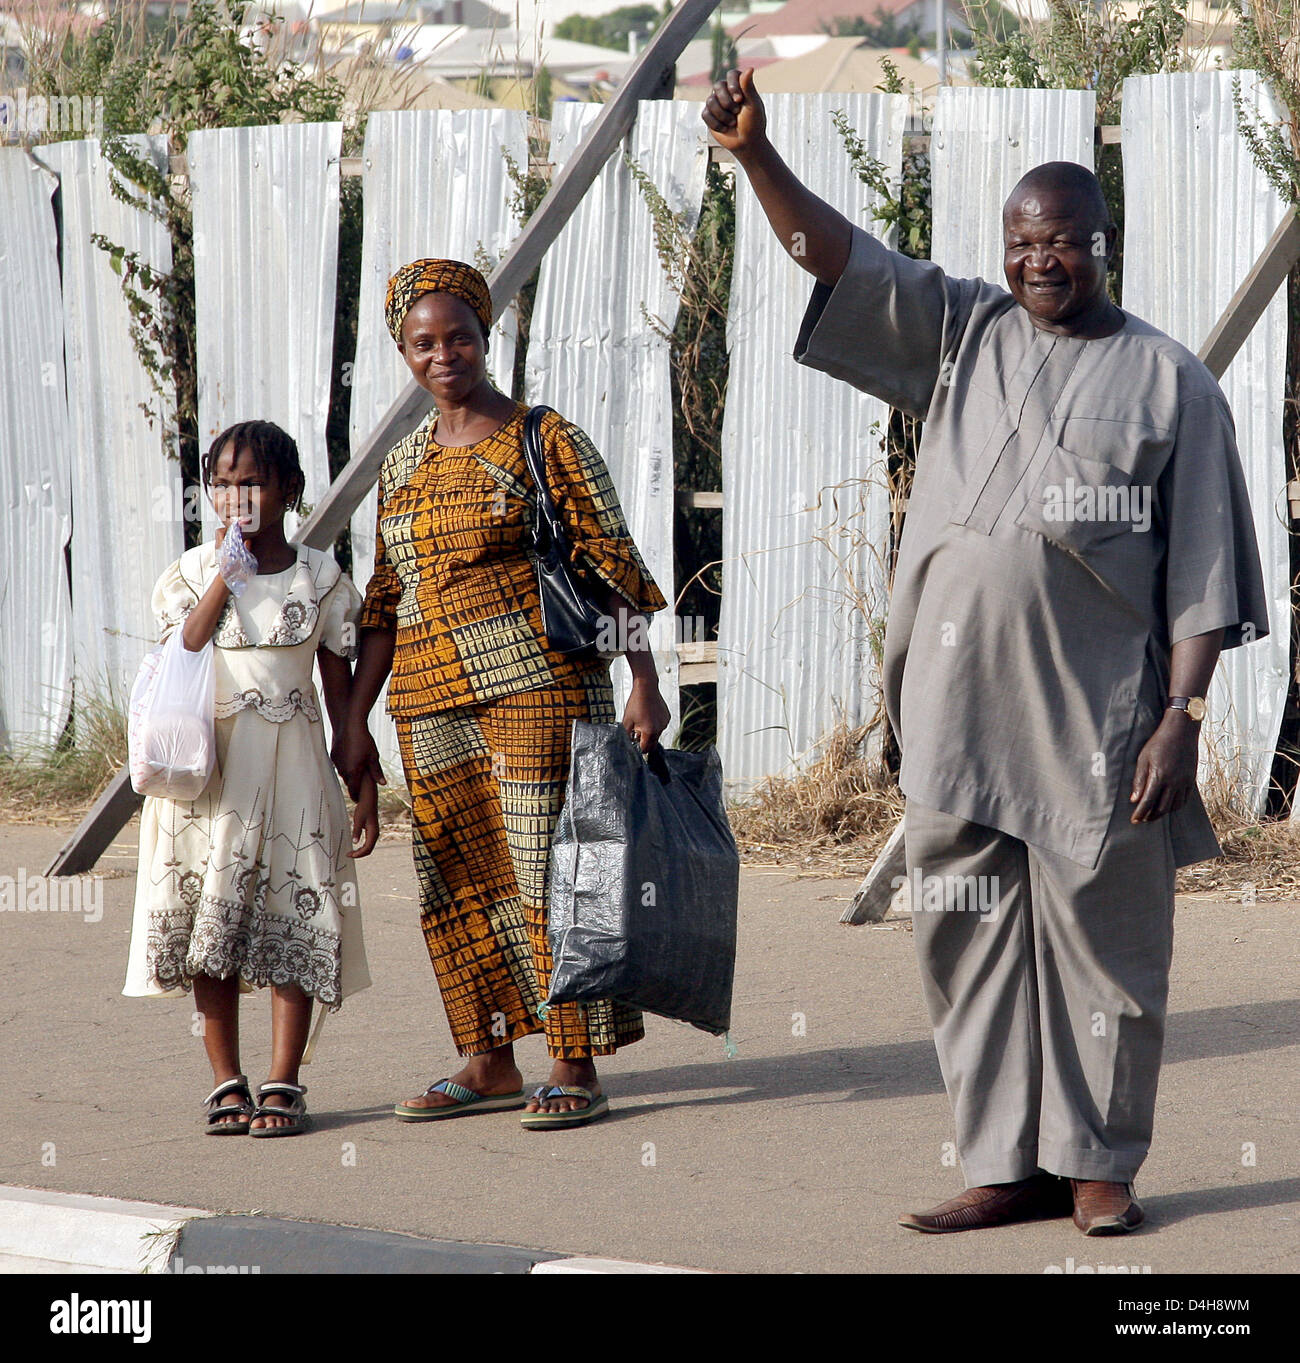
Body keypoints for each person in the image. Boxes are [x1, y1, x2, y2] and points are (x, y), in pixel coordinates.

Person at [704, 71, 1269, 1234]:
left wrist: (1183, 716)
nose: (1039, 261)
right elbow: (833, 256)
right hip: (956, 715)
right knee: (963, 938)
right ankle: (1008, 1161)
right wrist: (756, 159)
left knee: (1105, 948)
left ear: (1100, 244)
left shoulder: (1173, 383)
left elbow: (1206, 572)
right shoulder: (962, 330)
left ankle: (1099, 1164)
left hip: (1096, 725)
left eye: (1061, 240)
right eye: (1021, 241)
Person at [339, 258, 671, 1129]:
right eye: (424, 342)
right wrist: (354, 721)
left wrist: (645, 681)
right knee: (458, 877)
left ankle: (573, 1063)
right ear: (402, 353)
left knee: (550, 868)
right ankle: (488, 1058)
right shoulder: (403, 463)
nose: (442, 354)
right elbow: (384, 599)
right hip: (427, 699)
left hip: (541, 690)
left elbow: (611, 564)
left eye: (459, 337)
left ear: (487, 340)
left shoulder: (544, 438)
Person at [124, 420, 377, 1136]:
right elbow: (192, 641)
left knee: (295, 917)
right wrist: (226, 575)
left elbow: (340, 696)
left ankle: (283, 1080)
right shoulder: (191, 574)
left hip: (294, 772)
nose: (237, 497)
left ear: (290, 490)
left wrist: (360, 782)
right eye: (224, 483)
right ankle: (225, 1081)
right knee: (214, 928)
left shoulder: (320, 579)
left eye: (254, 482)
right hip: (212, 781)